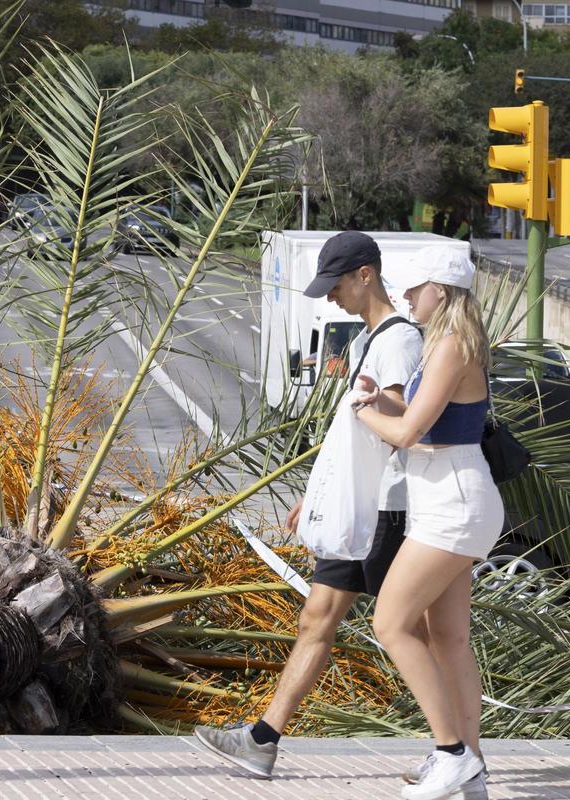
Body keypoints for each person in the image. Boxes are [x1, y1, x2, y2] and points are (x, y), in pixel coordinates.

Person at [194, 231, 424, 777]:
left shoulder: (398, 341)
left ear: (365, 275)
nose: (329, 298)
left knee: (423, 634)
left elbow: (397, 422)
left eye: (336, 285)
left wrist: (372, 399)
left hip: (384, 510)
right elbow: (356, 433)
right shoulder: (375, 337)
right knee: (320, 620)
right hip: (364, 507)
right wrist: (316, 493)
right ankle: (262, 740)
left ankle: (458, 751)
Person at [353, 245, 497, 799]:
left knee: (389, 623)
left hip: (453, 501)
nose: (407, 295)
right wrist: (381, 404)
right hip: (448, 496)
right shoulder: (449, 344)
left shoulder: (452, 346)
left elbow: (410, 434)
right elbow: (425, 423)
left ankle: (452, 752)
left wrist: (361, 410)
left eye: (416, 288)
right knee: (450, 638)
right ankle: (471, 764)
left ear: (443, 289)